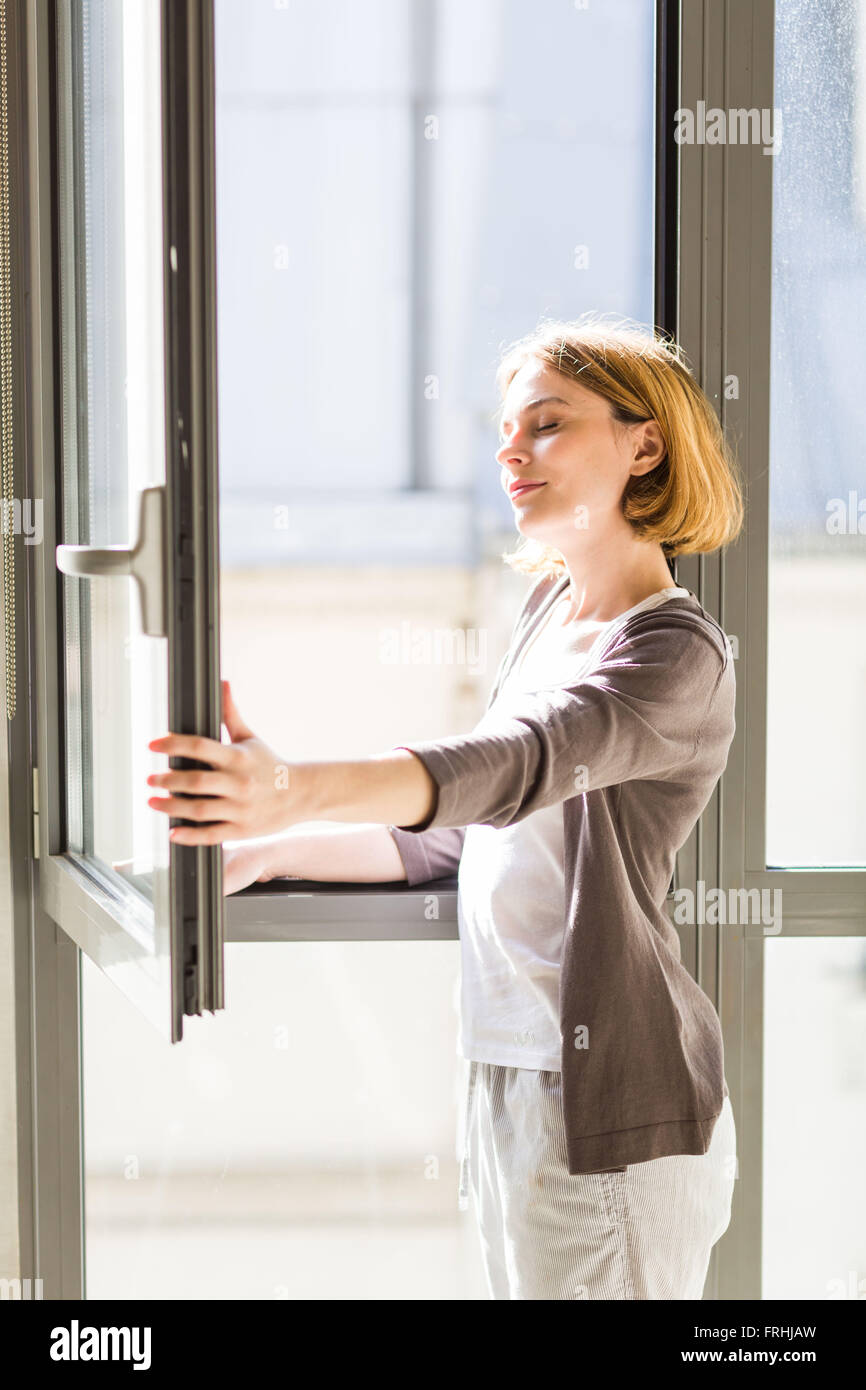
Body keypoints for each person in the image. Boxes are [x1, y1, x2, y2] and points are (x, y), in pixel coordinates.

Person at [147, 312, 744, 1300]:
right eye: (505, 429)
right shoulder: (549, 614)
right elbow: (466, 833)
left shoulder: (674, 653)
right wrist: (271, 846)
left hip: (609, 1104)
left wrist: (290, 784)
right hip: (505, 1071)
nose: (511, 448)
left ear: (643, 442)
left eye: (546, 423)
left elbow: (513, 763)